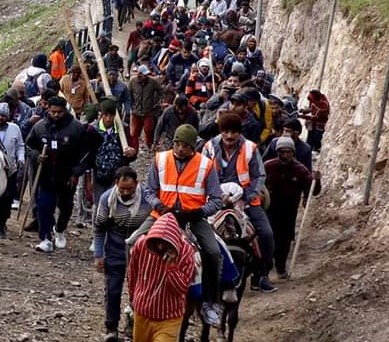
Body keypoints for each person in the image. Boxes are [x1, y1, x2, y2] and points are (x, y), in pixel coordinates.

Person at [134, 124, 224, 327]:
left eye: (185, 145)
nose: (180, 149)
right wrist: (159, 205)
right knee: (132, 243)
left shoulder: (206, 165)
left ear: (193, 147)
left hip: (192, 217)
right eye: (177, 144)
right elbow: (149, 189)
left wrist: (198, 212)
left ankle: (210, 302)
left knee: (213, 252)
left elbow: (216, 200)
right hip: (162, 215)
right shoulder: (160, 159)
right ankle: (134, 295)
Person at [127, 212, 197, 342]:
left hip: (169, 317)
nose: (159, 247)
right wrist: (133, 299)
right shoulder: (140, 245)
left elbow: (181, 289)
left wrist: (172, 267)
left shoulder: (186, 254)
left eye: (163, 243)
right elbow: (133, 273)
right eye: (156, 242)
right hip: (143, 312)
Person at [202, 111, 276, 293]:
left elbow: (259, 175)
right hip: (215, 199)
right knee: (195, 234)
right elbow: (202, 174)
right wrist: (216, 197)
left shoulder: (250, 148)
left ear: (239, 132)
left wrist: (246, 198)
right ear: (221, 131)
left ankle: (262, 274)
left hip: (246, 200)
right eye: (226, 131)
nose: (229, 136)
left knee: (266, 234)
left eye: (233, 132)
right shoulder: (209, 147)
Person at [25, 95, 91, 253]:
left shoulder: (76, 128)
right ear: (48, 109)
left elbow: (85, 154)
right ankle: (45, 238)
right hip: (46, 175)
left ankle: (60, 229)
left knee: (66, 207)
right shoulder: (40, 126)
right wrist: (36, 156)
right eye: (53, 111)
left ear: (64, 111)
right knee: (44, 207)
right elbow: (29, 145)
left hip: (67, 176)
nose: (56, 115)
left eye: (59, 112)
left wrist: (76, 172)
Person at [93, 165, 149, 342]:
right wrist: (99, 254)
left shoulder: (147, 198)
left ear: (137, 184)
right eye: (122, 188)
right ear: (115, 184)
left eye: (130, 189)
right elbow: (100, 228)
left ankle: (133, 324)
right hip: (115, 245)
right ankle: (111, 326)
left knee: (140, 288)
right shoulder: (106, 199)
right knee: (113, 287)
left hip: (141, 246)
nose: (125, 192)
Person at [264, 136, 315, 279]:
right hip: (270, 209)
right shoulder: (268, 166)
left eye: (288, 152)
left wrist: (316, 182)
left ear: (293, 153)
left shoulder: (300, 170)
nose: (285, 155)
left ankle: (280, 267)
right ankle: (266, 269)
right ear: (277, 152)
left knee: (285, 238)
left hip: (289, 210)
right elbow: (258, 182)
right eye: (282, 152)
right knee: (269, 237)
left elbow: (312, 189)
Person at [0, 102, 25, 239]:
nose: (0, 118)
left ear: (8, 116)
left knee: (6, 199)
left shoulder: (15, 129)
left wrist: (21, 158)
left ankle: (1, 223)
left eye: (3, 116)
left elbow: (20, 146)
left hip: (10, 170)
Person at [127, 64, 165, 152]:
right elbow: (129, 94)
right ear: (139, 74)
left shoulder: (152, 81)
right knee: (135, 132)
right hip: (136, 111)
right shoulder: (133, 82)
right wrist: (131, 106)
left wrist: (159, 102)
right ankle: (135, 147)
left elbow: (160, 91)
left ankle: (149, 146)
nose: (146, 76)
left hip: (148, 111)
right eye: (144, 74)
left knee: (148, 130)